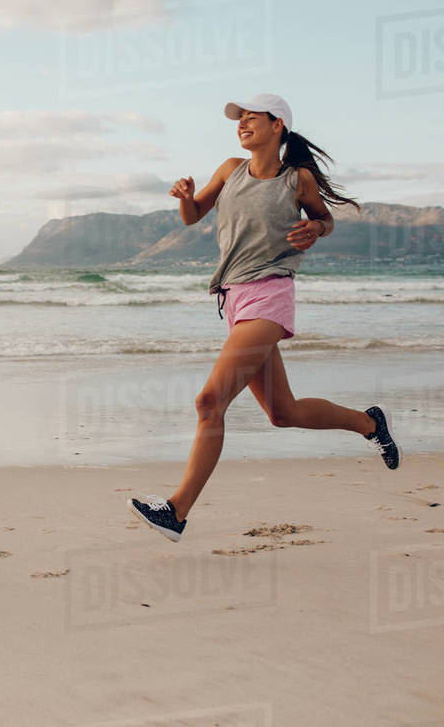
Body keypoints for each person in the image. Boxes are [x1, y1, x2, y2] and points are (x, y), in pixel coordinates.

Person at [129, 94, 400, 542]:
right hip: (234, 299)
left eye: (253, 118)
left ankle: (176, 511)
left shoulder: (298, 179)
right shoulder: (228, 169)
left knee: (208, 403)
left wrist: (316, 229)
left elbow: (325, 220)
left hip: (270, 295)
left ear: (279, 126)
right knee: (282, 412)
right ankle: (370, 423)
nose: (243, 124)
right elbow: (193, 216)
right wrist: (183, 198)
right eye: (240, 119)